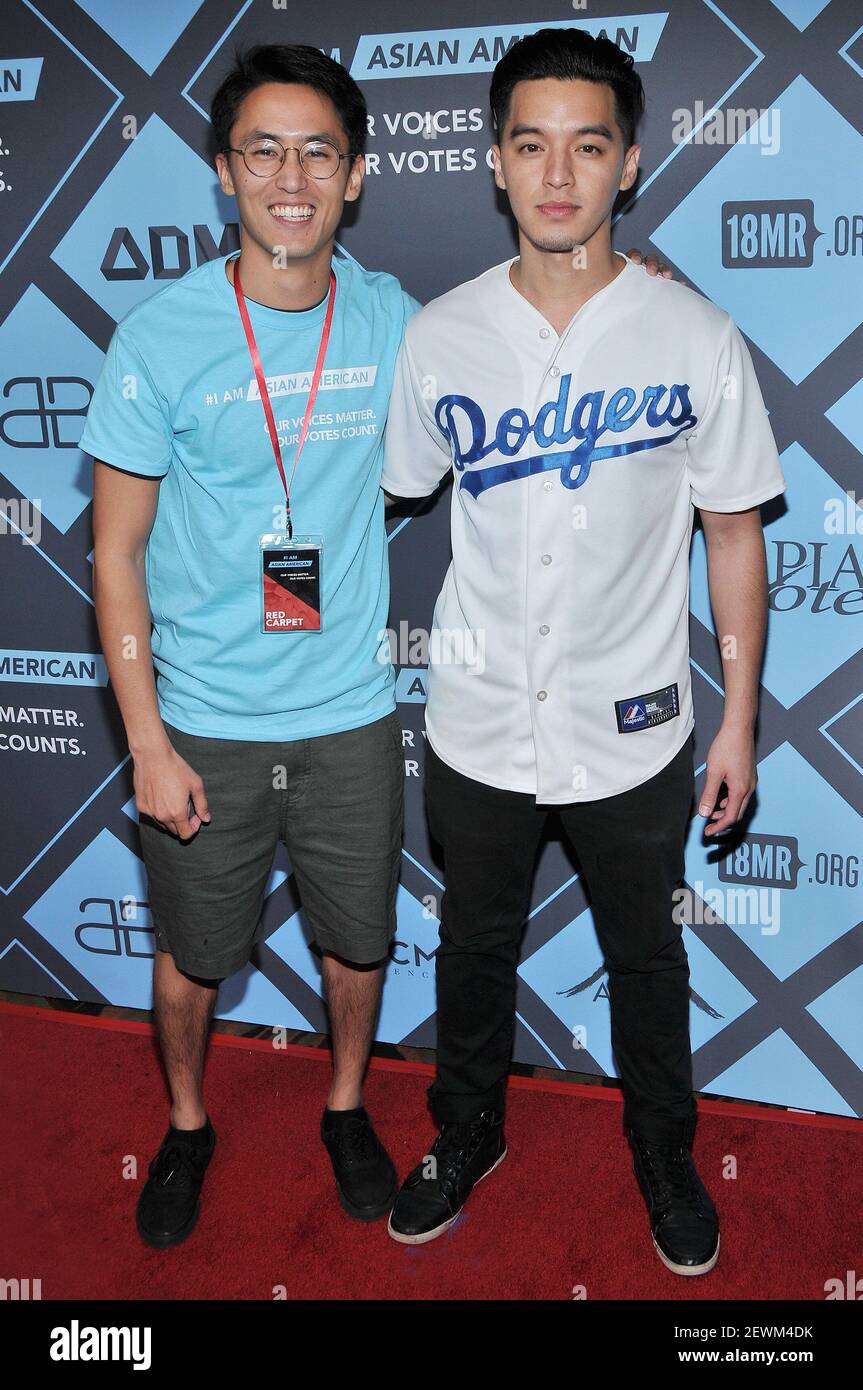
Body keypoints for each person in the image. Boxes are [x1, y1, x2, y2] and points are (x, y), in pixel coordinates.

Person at [381, 27, 786, 1275]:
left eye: (588, 144)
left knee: (646, 955)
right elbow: (396, 491)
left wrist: (736, 719)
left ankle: (663, 1147)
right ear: (494, 164)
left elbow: (732, 535)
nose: (558, 173)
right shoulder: (437, 335)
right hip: (477, 716)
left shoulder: (692, 333)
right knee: (471, 944)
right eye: (530, 143)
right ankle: (467, 1131)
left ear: (628, 162)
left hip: (636, 720)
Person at [80, 44, 421, 1247]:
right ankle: (184, 1123)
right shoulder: (158, 339)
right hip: (205, 723)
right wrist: (147, 742)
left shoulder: (393, 320)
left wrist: (614, 271)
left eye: (317, 150)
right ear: (225, 173)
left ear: (355, 175)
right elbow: (114, 553)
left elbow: (528, 354)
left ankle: (341, 1106)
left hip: (347, 714)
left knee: (359, 942)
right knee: (191, 954)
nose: (291, 176)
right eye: (263, 150)